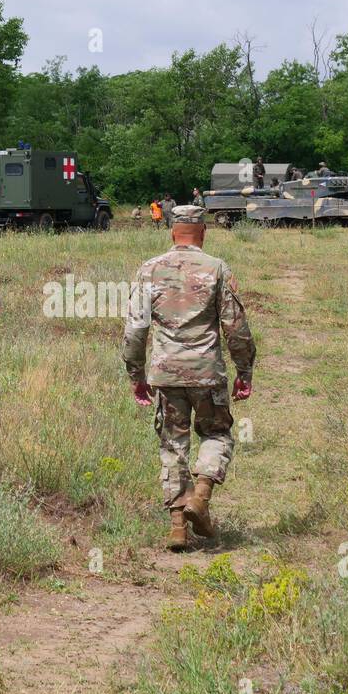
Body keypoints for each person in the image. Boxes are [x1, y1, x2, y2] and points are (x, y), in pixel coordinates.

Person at [122, 205, 256, 551]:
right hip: (207, 373)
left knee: (172, 445)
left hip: (165, 373)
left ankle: (178, 526)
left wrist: (136, 374)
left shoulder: (149, 270)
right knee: (217, 433)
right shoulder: (217, 268)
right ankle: (201, 496)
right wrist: (245, 370)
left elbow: (135, 329)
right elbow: (235, 327)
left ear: (171, 232)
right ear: (203, 232)